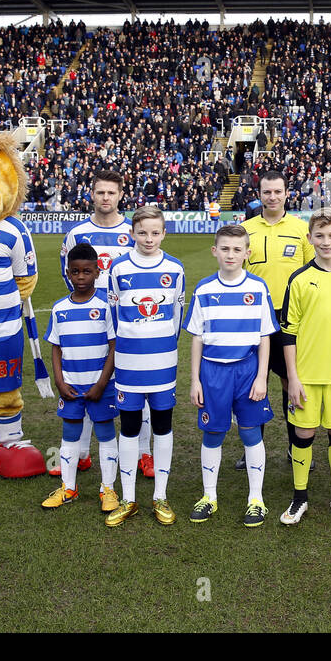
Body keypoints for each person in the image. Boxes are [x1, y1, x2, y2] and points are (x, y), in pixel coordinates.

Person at [184, 224, 277, 526]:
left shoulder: (258, 287)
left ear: (247, 254)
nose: (230, 254)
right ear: (215, 251)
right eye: (224, 248)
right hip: (212, 372)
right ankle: (209, 495)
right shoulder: (205, 289)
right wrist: (195, 379)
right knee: (213, 433)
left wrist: (262, 377)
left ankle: (256, 499)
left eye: (237, 249)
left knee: (250, 432)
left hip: (247, 369)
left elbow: (264, 336)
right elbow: (197, 338)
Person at [278, 209, 331, 525]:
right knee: (304, 431)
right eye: (320, 236)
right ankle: (299, 498)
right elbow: (288, 332)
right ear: (310, 238)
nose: (326, 242)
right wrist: (293, 376)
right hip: (307, 372)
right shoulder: (299, 279)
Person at [53, 170, 139, 480]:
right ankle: (82, 454)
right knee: (84, 381)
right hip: (86, 323)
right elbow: (68, 271)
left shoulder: (132, 233)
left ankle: (142, 453)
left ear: (120, 195)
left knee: (130, 386)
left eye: (111, 193)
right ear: (92, 194)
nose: (105, 198)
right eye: (100, 192)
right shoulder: (77, 233)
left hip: (124, 324)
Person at [104, 204, 186, 527]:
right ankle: (128, 498)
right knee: (129, 428)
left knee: (163, 426)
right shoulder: (118, 269)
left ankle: (160, 496)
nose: (149, 238)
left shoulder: (176, 269)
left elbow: (178, 316)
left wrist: (164, 343)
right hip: (128, 364)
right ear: (132, 234)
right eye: (142, 233)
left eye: (155, 233)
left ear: (164, 233)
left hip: (163, 362)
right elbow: (113, 317)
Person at [237, 170, 314, 470]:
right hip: (253, 317)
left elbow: (311, 272)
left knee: (288, 382)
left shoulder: (299, 228)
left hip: (288, 317)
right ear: (259, 194)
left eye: (277, 192)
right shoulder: (245, 230)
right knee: (252, 383)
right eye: (267, 192)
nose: (272, 197)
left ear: (286, 193)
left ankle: (296, 446)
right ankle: (252, 448)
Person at [41, 243, 120, 512]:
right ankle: (68, 487)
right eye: (75, 272)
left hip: (101, 386)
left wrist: (101, 383)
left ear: (98, 272)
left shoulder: (107, 306)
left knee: (106, 433)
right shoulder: (59, 308)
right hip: (71, 386)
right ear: (68, 273)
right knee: (70, 434)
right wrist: (60, 382)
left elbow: (114, 347)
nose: (81, 277)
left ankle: (108, 489)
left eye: (87, 271)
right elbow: (56, 348)